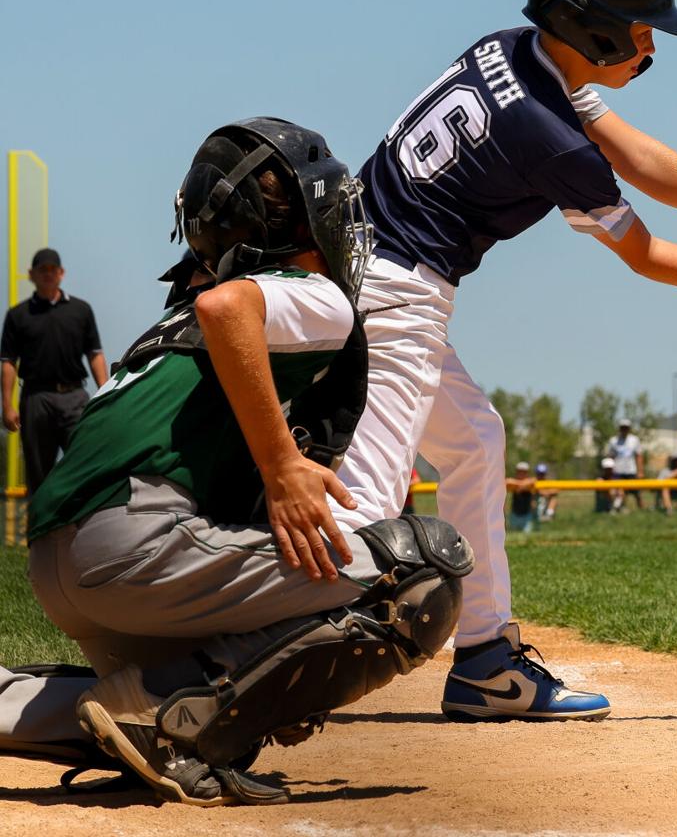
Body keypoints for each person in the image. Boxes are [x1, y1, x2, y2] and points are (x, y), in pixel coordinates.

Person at [334, 0, 677, 724]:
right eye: (641, 30)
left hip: (356, 266)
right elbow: (644, 254)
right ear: (595, 25)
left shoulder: (510, 51)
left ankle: (484, 664)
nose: (649, 47)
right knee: (364, 509)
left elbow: (637, 154)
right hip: (396, 298)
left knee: (474, 444)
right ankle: (229, 662)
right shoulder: (547, 140)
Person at [0, 119, 470, 806]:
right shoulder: (307, 297)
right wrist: (282, 470)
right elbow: (230, 309)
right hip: (136, 548)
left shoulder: (170, 317)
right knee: (423, 569)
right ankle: (163, 712)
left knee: (221, 704)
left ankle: (30, 703)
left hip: (64, 559)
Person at [1, 248, 109, 492]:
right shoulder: (18, 315)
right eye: (42, 270)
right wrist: (7, 405)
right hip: (36, 399)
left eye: (53, 270)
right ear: (32, 274)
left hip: (75, 398)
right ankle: (40, 528)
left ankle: (79, 528)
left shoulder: (81, 310)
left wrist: (105, 392)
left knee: (84, 465)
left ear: (61, 273)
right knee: (39, 476)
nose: (48, 275)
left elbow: (95, 354)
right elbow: (8, 361)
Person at [605, 418, 645, 511]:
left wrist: (640, 471)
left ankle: (643, 510)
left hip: (631, 470)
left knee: (637, 493)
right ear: (619, 428)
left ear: (629, 428)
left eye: (626, 428)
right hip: (618, 471)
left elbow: (639, 456)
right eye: (622, 427)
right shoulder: (613, 441)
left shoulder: (634, 440)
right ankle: (621, 509)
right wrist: (609, 472)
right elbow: (610, 457)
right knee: (621, 493)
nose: (624, 430)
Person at [507, 461, 537, 532]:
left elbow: (533, 481)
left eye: (524, 471)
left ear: (527, 473)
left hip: (527, 515)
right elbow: (507, 481)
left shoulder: (530, 481)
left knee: (526, 538)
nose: (521, 473)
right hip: (515, 514)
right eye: (519, 471)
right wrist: (522, 485)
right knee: (514, 537)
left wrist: (520, 486)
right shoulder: (513, 481)